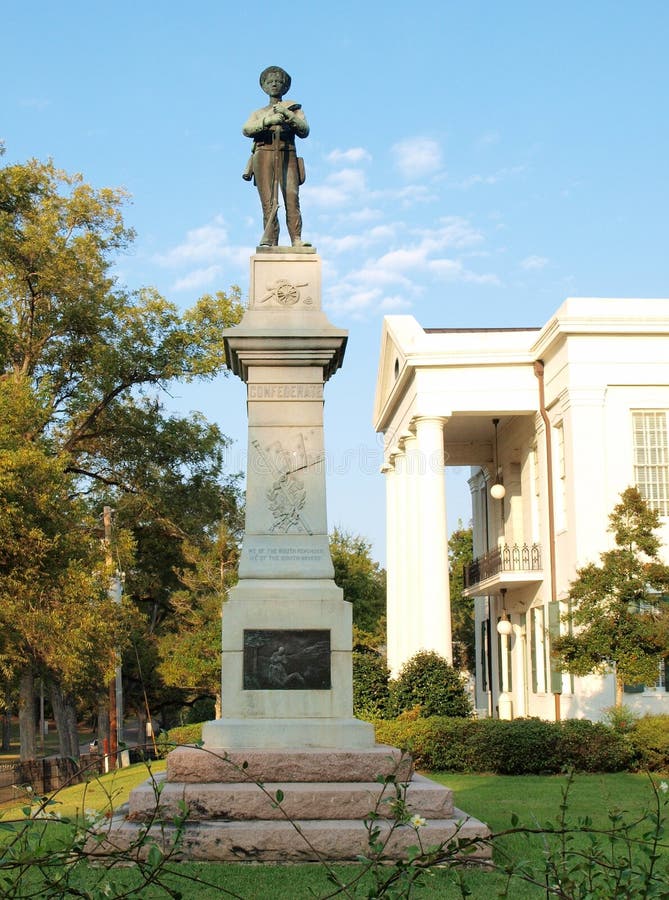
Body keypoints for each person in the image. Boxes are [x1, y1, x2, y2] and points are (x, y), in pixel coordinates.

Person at [242, 66, 309, 248]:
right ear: (263, 86)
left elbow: (304, 130)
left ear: (285, 86)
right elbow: (247, 129)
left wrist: (287, 115)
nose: (274, 84)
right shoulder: (259, 112)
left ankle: (296, 239)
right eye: (270, 81)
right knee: (269, 202)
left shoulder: (293, 108)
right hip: (264, 153)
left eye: (278, 81)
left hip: (287, 153)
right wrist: (268, 121)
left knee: (292, 197)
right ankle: (270, 240)